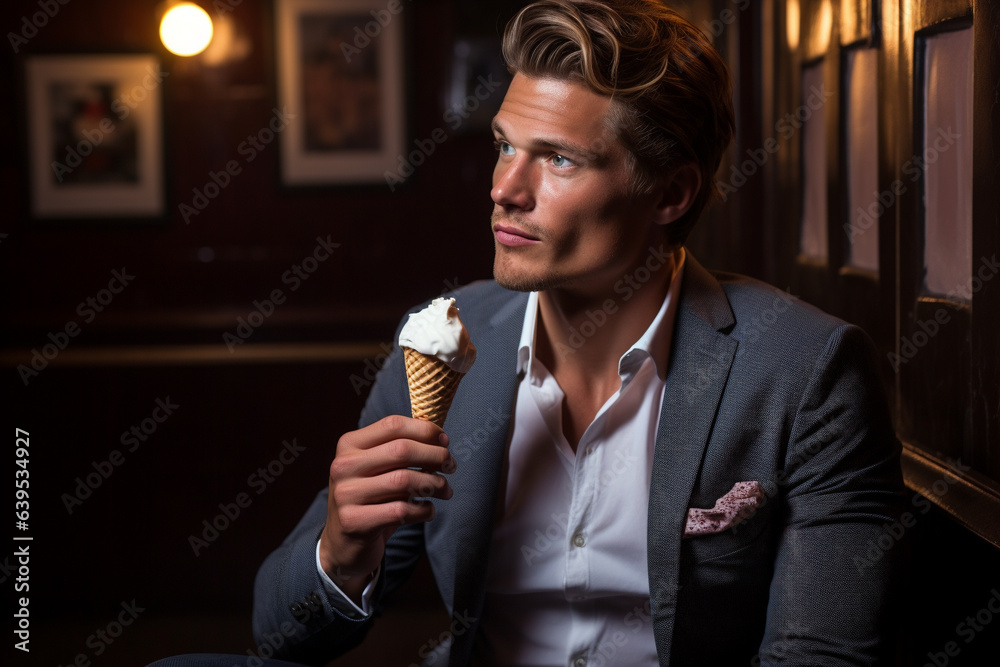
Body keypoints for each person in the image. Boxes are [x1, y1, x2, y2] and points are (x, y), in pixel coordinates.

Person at [151, 1, 905, 665]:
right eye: (506, 144)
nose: (505, 189)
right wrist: (343, 550)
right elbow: (282, 639)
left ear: (670, 192)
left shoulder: (806, 369)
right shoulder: (443, 339)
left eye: (559, 159)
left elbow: (821, 652)